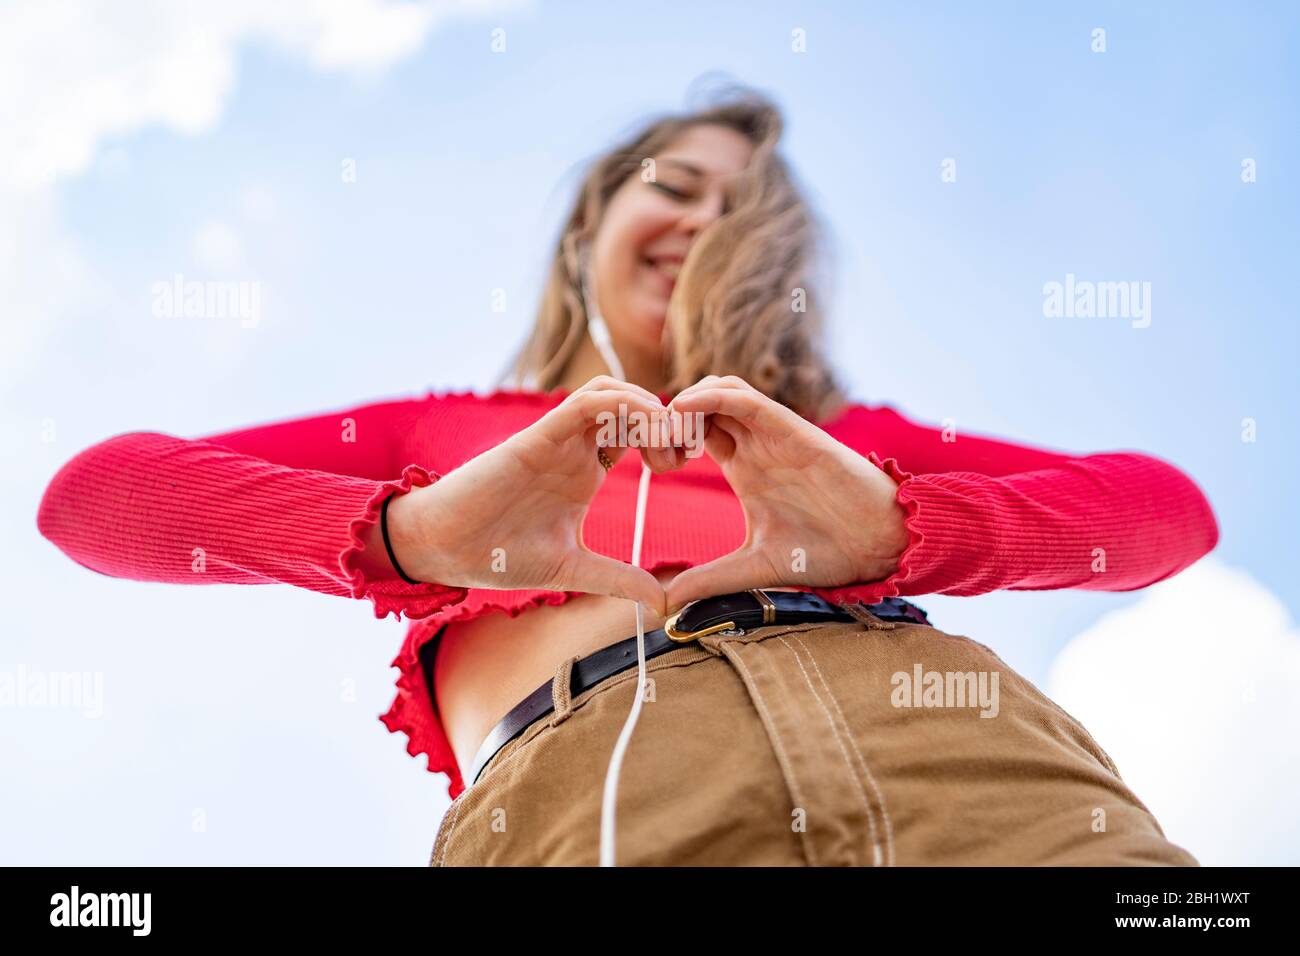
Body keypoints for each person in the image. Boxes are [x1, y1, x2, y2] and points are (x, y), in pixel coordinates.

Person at [36, 85, 1218, 866]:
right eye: (673, 185)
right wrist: (411, 534)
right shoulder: (445, 431)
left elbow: (1167, 514)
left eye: (744, 208)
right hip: (594, 780)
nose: (706, 222)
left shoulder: (846, 436)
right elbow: (95, 496)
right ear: (585, 227)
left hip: (967, 765)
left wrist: (904, 527)